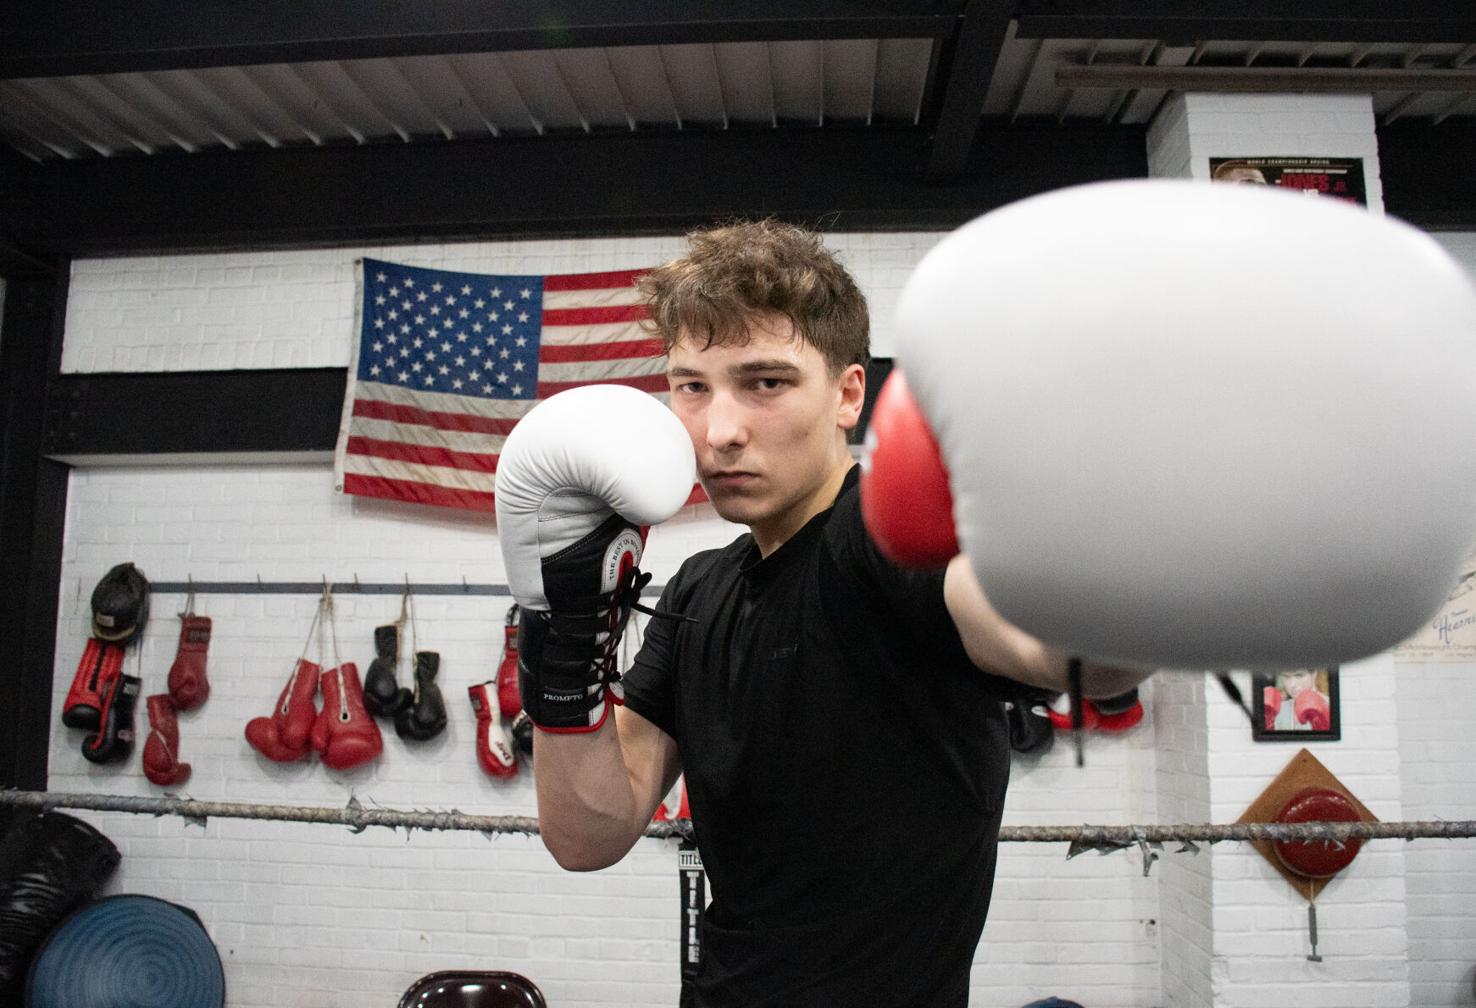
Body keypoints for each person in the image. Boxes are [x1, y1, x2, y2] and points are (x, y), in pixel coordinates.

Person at [507, 219, 1151, 1007]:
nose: (721, 432)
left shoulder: (882, 540)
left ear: (849, 394)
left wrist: (1144, 555)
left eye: (765, 383)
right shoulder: (697, 591)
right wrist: (560, 640)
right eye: (692, 386)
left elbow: (1064, 653)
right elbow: (587, 835)